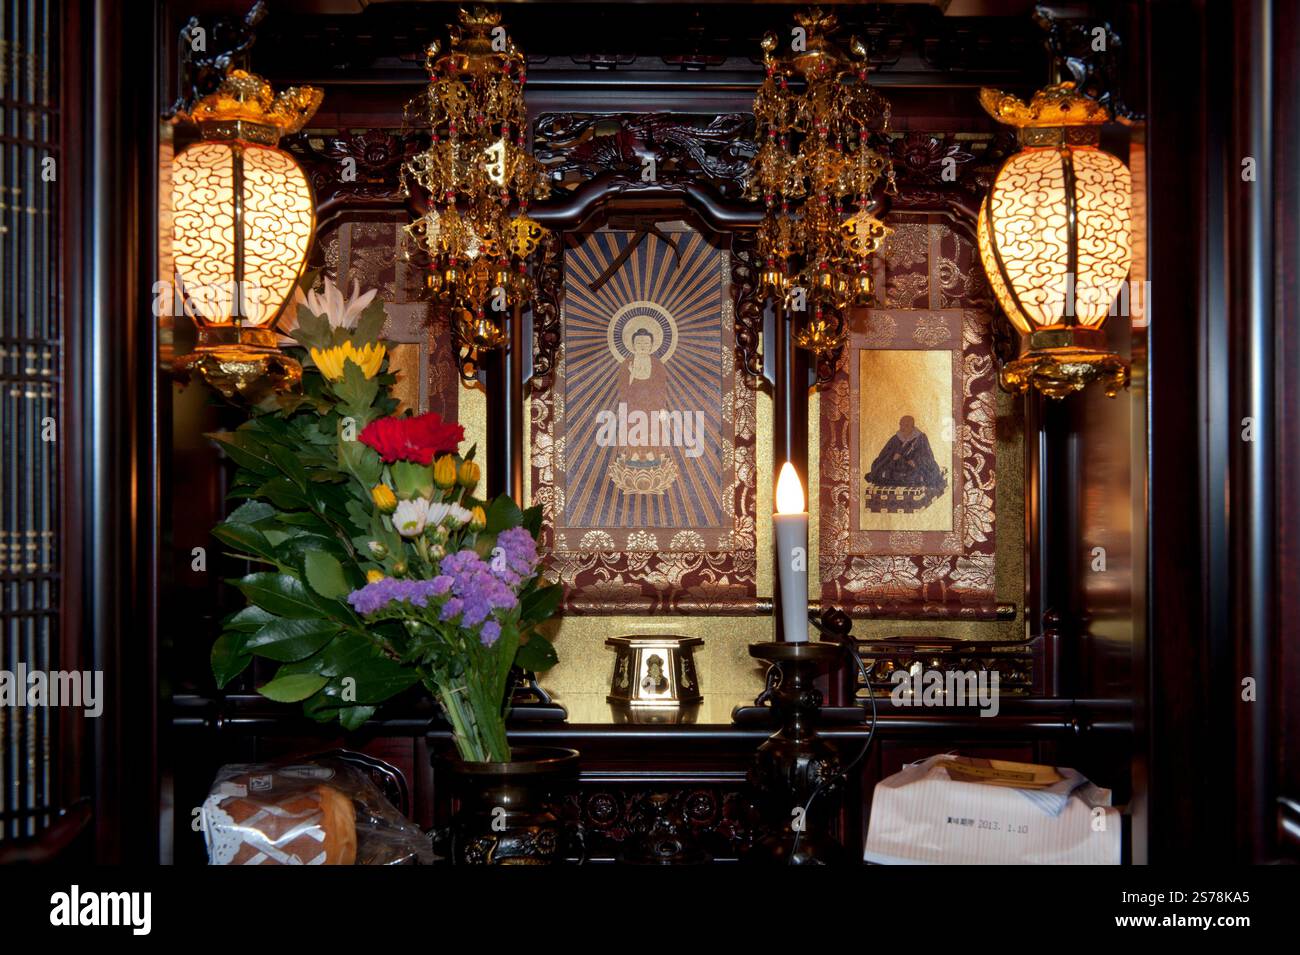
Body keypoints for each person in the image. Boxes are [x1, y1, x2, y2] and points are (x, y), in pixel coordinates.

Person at [865, 415, 946, 491]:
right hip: (897, 466)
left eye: (906, 425)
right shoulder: (895, 438)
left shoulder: (921, 438)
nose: (903, 428)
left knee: (921, 476)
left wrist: (915, 461)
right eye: (901, 425)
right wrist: (893, 457)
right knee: (883, 472)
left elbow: (927, 455)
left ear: (912, 427)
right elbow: (884, 454)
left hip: (914, 467)